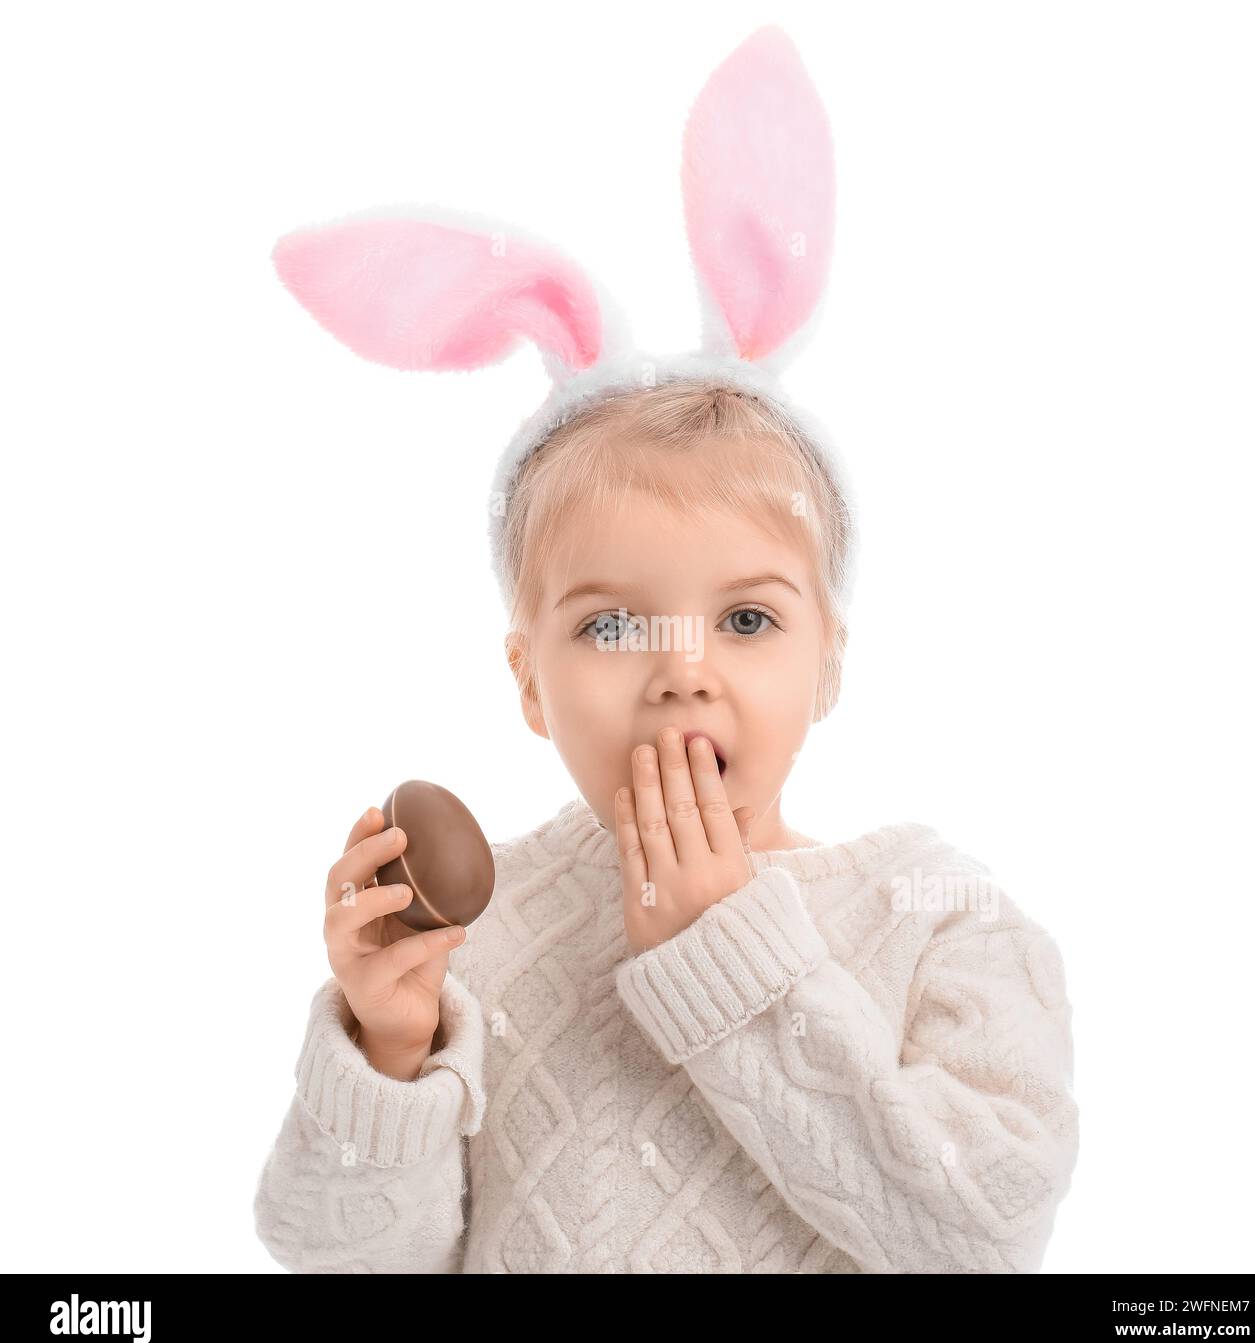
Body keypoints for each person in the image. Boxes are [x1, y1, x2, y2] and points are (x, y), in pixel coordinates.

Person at [253, 25, 1079, 1274]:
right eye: (611, 623)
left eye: (746, 618)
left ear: (829, 663)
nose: (681, 666)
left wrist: (729, 957)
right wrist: (388, 1049)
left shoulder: (941, 915)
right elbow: (338, 1260)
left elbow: (983, 1230)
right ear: (530, 680)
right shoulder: (489, 930)